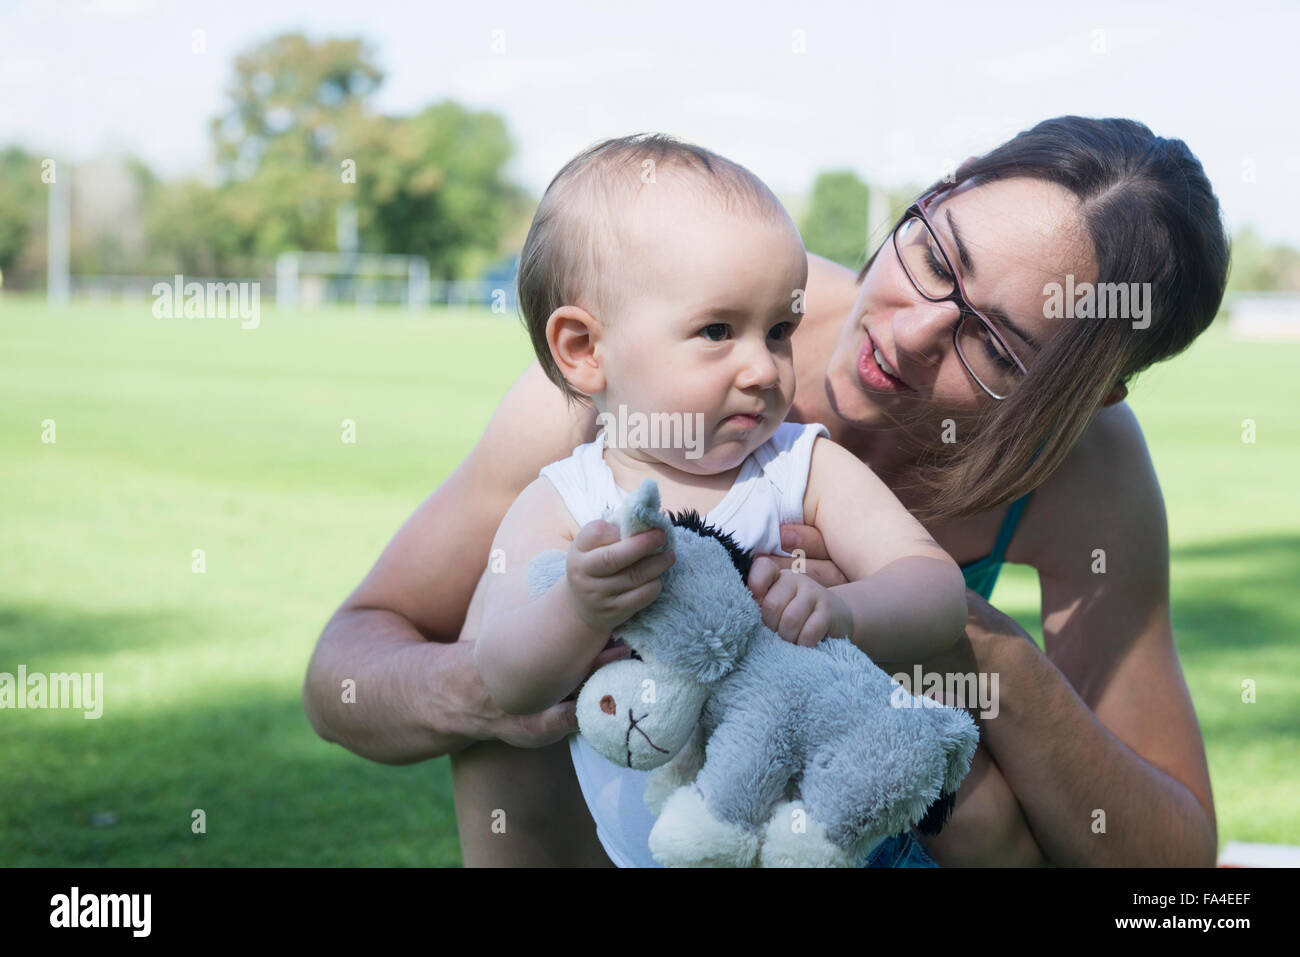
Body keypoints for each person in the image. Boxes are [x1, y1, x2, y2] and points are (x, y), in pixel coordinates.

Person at [302, 116, 1229, 867]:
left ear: (1089, 395)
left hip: (840, 821)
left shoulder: (1088, 469)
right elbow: (343, 674)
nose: (910, 333)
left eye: (993, 345)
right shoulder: (633, 372)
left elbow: (1168, 864)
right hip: (633, 816)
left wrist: (978, 654)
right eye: (938, 258)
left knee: (975, 791)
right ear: (942, 187)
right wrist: (505, 680)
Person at [470, 136, 969, 866]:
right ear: (583, 348)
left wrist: (846, 610)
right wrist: (576, 608)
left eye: (779, 331)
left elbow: (935, 588)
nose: (763, 367)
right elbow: (505, 678)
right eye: (717, 330)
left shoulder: (798, 464)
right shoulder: (565, 504)